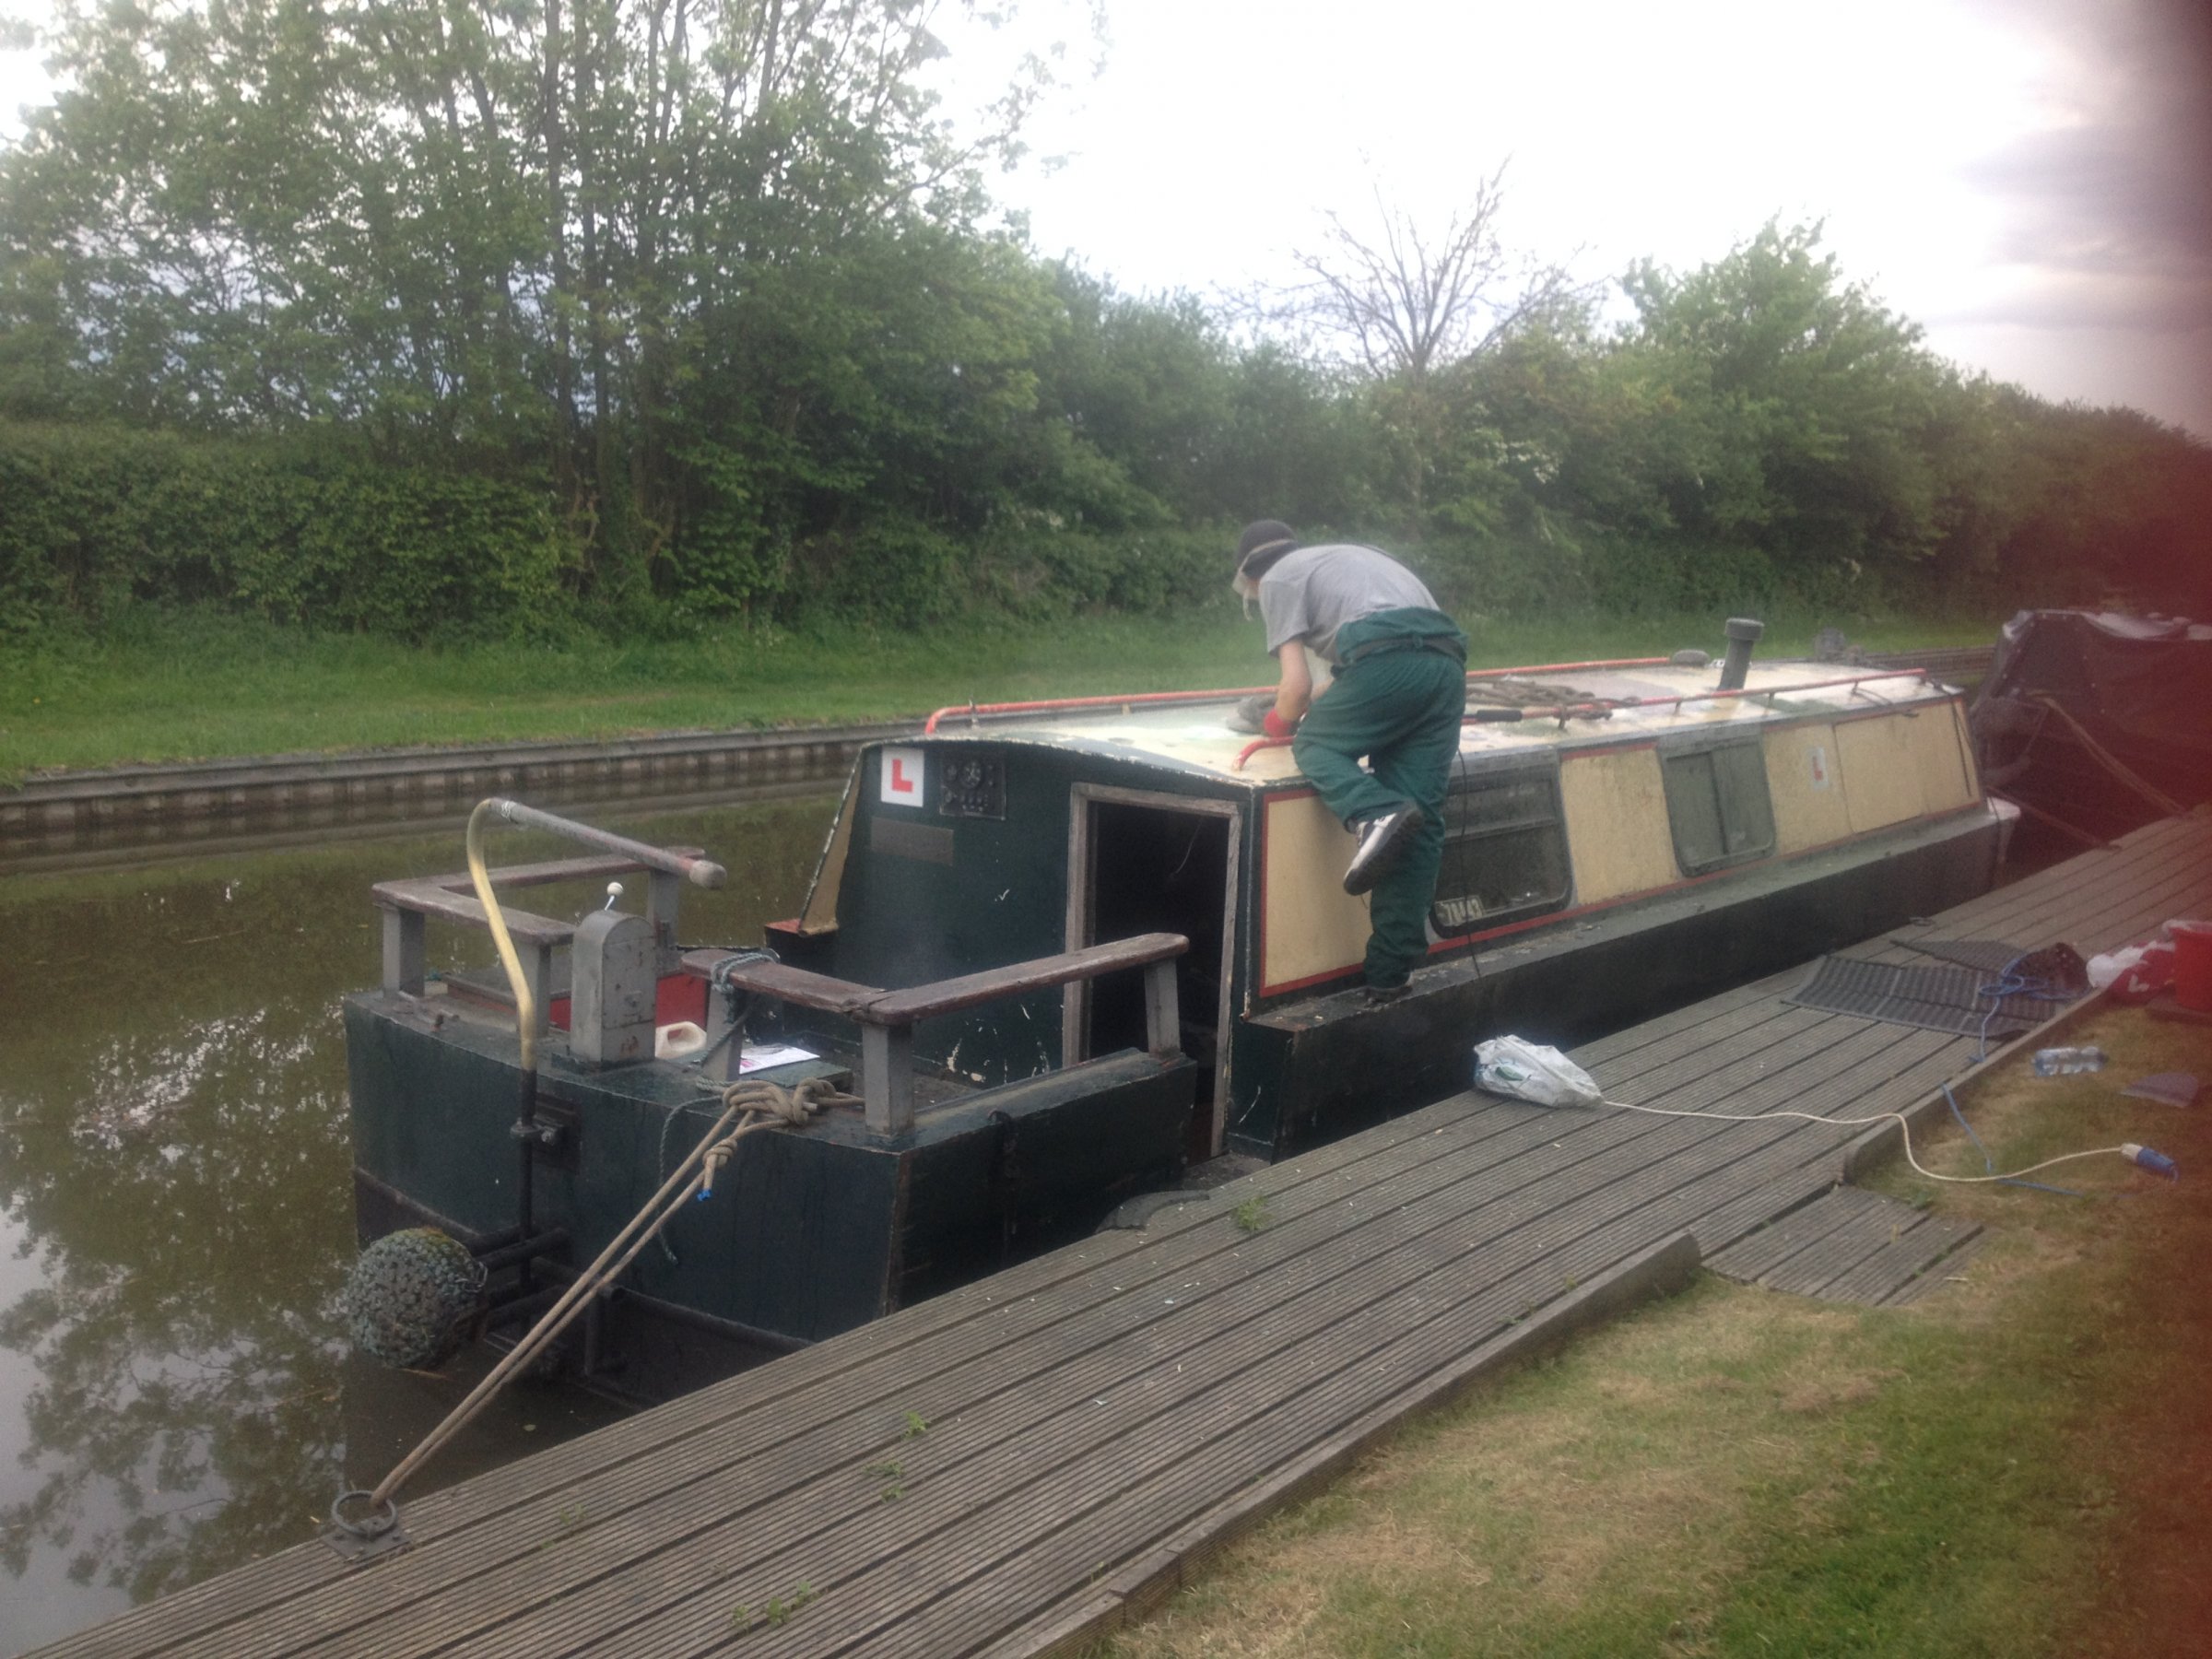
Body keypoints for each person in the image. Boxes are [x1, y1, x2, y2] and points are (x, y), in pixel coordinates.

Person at [1232, 520, 1467, 1003]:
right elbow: (1358, 677)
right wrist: (1299, 702)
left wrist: (1277, 723)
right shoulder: (1351, 557)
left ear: (1251, 577)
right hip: (1445, 667)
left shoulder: (1277, 578)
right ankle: (1389, 974)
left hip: (1386, 659)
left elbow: (1295, 688)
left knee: (1315, 745)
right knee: (1419, 821)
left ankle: (1370, 811)